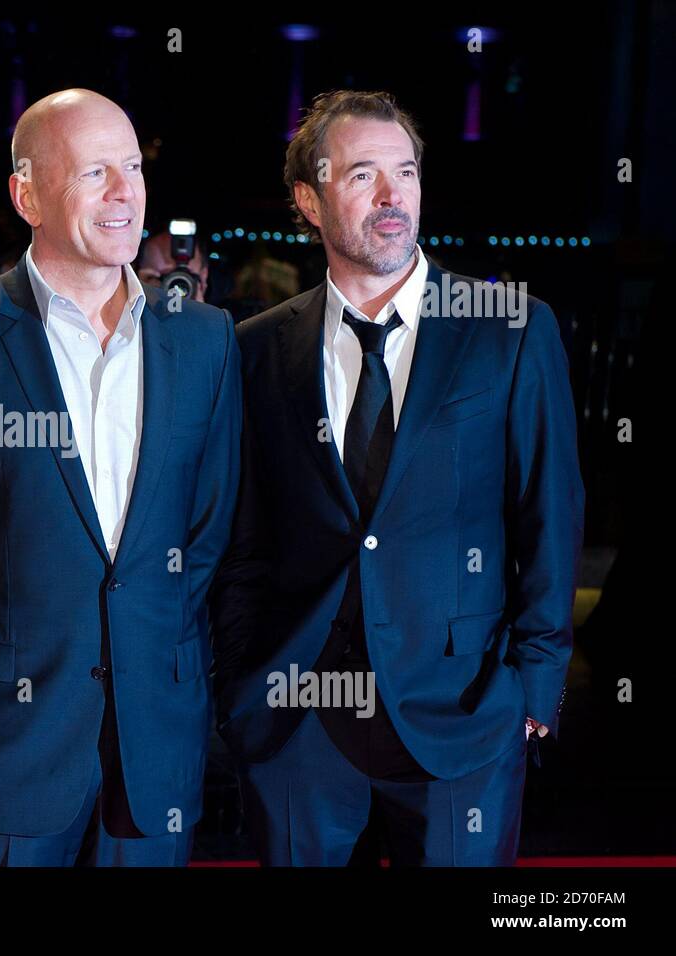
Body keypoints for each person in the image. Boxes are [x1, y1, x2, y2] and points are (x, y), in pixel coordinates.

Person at [209, 90, 585, 865]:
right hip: (297, 728)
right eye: (363, 175)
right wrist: (241, 685)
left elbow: (550, 512)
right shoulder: (253, 349)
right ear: (308, 201)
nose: (392, 196)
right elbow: (241, 537)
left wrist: (534, 688)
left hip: (465, 717)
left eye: (405, 172)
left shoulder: (510, 327)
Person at [0, 89, 241, 866]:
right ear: (27, 194)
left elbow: (209, 530)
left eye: (131, 168)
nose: (125, 194)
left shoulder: (206, 339)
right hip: (5, 747)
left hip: (157, 748)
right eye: (94, 173)